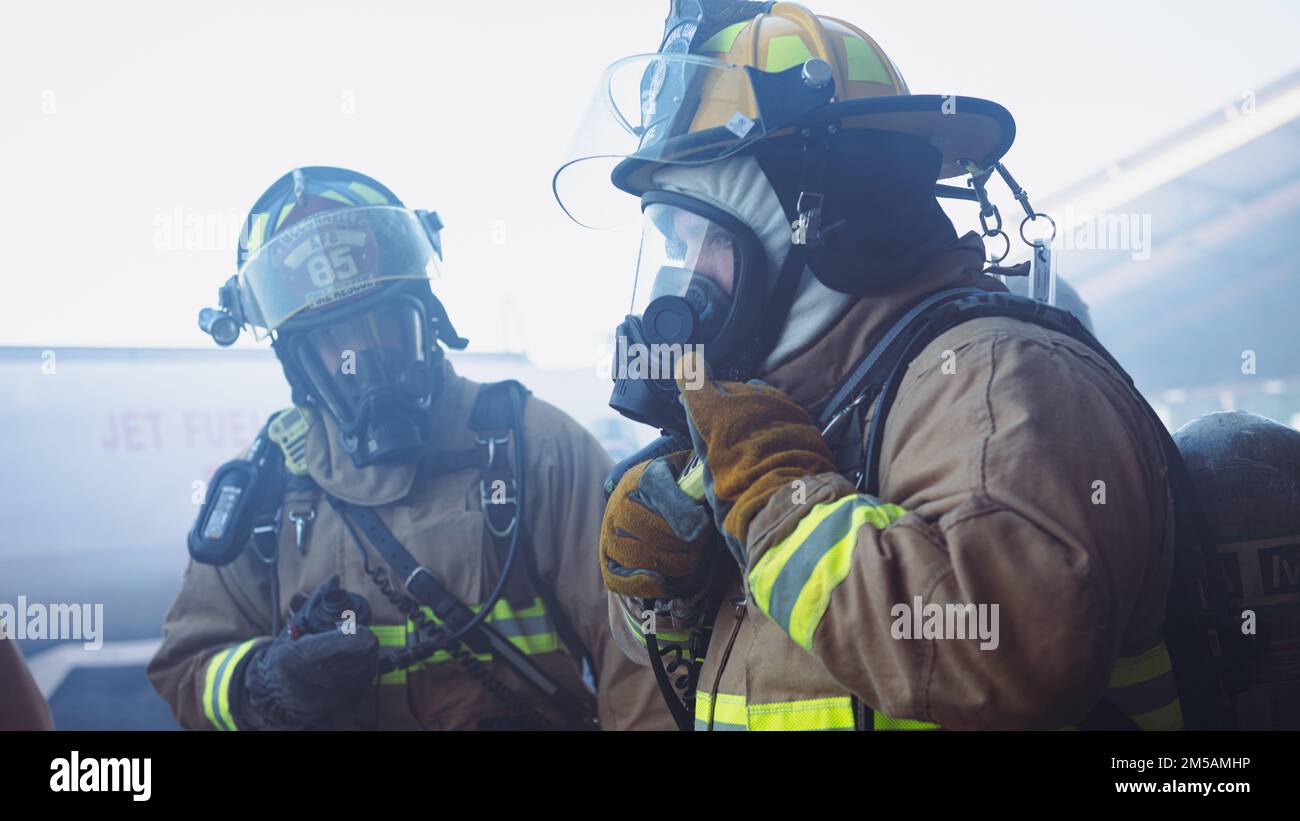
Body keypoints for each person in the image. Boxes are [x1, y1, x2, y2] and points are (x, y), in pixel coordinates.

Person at [563, 2, 1195, 730]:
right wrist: (671, 593)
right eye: (673, 246)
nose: (687, 281)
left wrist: (776, 503)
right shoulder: (809, 414)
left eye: (704, 238)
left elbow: (1014, 654)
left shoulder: (997, 381)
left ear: (805, 226)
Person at [148, 167, 671, 730]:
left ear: (427, 316)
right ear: (294, 361)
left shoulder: (534, 447)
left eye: (383, 322)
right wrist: (261, 684)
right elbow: (186, 669)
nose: (362, 355)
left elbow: (645, 666)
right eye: (331, 337)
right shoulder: (270, 485)